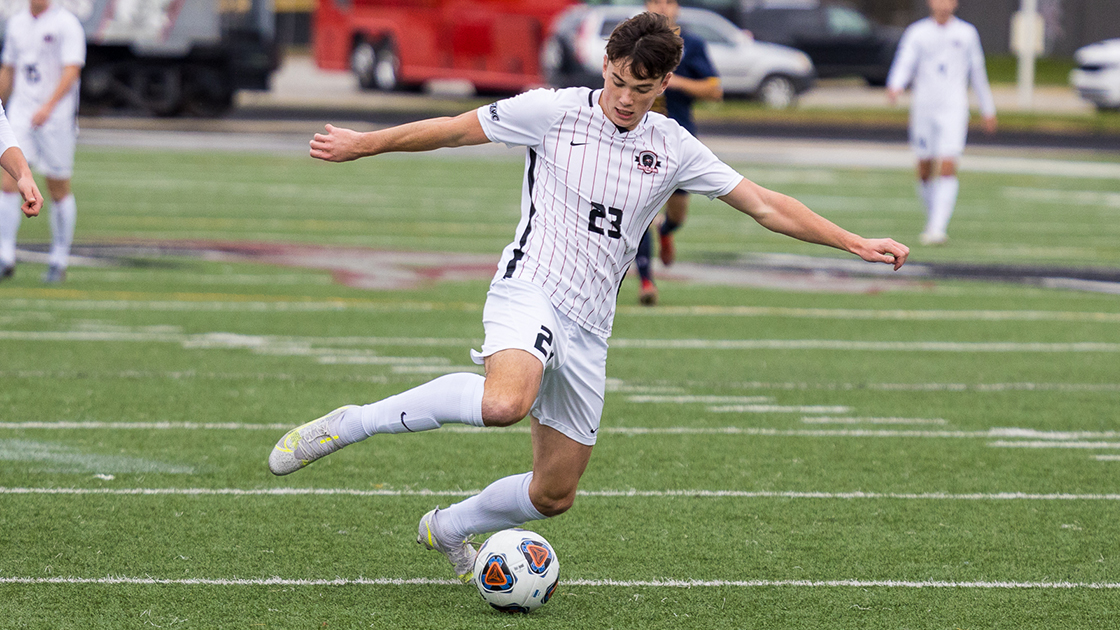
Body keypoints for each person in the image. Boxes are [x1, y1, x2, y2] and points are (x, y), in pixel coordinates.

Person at [269, 12, 909, 584]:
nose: (626, 99)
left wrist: (854, 242)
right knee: (504, 403)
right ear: (605, 65)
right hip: (531, 286)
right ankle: (353, 422)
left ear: (664, 86)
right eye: (620, 81)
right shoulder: (553, 111)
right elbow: (455, 129)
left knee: (553, 495)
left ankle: (449, 527)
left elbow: (766, 205)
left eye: (643, 88)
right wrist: (363, 143)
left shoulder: (674, 147)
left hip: (590, 326)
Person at [886, 0, 996, 246]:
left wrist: (987, 108)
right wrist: (895, 84)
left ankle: (937, 227)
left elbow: (977, 71)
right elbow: (905, 60)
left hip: (953, 109)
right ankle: (932, 218)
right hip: (924, 108)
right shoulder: (917, 32)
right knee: (925, 167)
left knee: (947, 163)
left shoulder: (967, 33)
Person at [634, 0, 722, 306]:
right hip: (638, 138)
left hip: (679, 139)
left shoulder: (693, 44)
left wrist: (671, 81)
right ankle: (647, 282)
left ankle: (667, 230)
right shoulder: (634, 41)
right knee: (638, 212)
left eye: (668, 2)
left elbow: (715, 89)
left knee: (678, 214)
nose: (662, 7)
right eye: (655, 2)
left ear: (677, 8)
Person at [0, 0, 85, 283]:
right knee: (8, 181)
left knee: (57, 186)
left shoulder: (66, 24)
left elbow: (72, 70)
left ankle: (59, 258)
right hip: (21, 112)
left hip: (56, 118)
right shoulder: (16, 22)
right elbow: (8, 69)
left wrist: (48, 107)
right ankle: (5, 255)